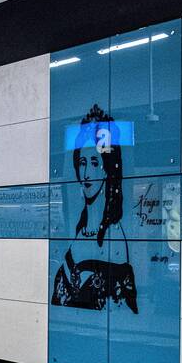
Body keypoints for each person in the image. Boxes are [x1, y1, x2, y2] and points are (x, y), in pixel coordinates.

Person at [51, 104, 137, 313]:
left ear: (106, 169)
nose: (87, 173)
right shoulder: (78, 230)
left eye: (94, 163)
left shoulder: (115, 238)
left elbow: (120, 307)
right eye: (82, 163)